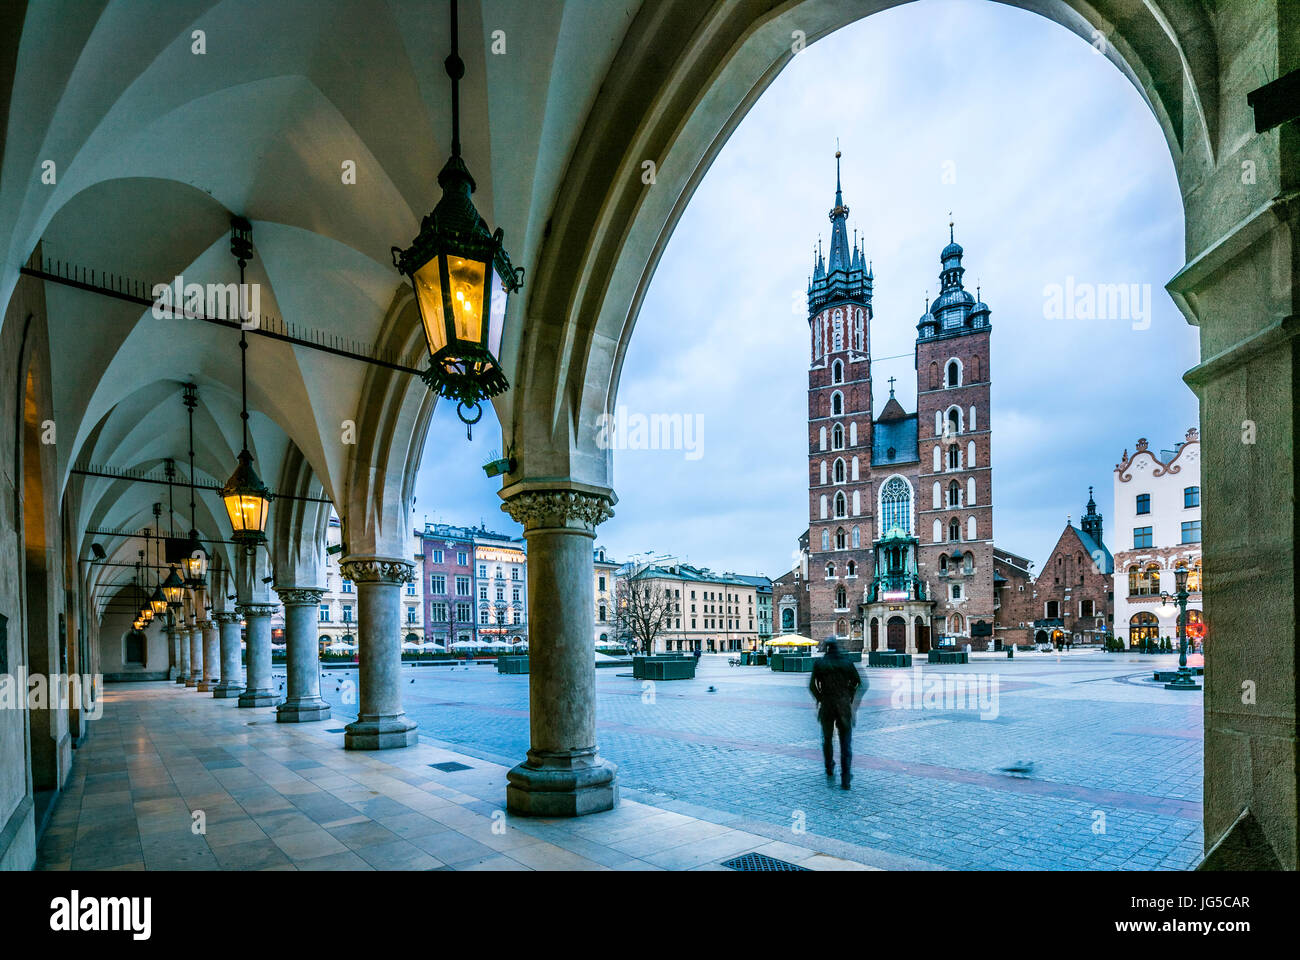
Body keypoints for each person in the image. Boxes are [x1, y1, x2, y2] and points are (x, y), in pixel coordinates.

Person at [809, 641, 865, 789]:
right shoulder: (846, 662)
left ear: (827, 648)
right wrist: (850, 696)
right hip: (843, 706)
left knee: (827, 739)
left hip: (827, 705)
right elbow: (859, 683)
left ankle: (829, 766)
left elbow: (811, 686)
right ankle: (845, 777)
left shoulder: (820, 663)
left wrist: (820, 697)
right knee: (845, 742)